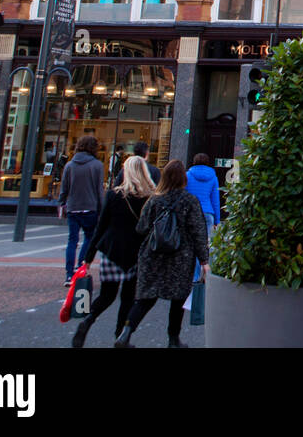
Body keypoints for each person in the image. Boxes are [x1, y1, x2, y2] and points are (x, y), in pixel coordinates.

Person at [115, 161, 210, 348]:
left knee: (145, 299)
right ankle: (173, 340)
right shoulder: (189, 201)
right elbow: (198, 232)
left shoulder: (154, 200)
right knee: (178, 300)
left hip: (153, 254)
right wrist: (204, 260)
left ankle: (125, 333)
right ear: (183, 178)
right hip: (180, 256)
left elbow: (141, 227)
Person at [72, 156, 156, 347]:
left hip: (111, 251)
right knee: (128, 298)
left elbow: (101, 227)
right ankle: (120, 336)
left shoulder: (113, 195)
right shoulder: (149, 197)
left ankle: (88, 320)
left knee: (106, 295)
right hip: (135, 254)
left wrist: (88, 257)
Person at [59, 135, 105, 283]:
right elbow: (99, 190)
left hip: (73, 207)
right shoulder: (97, 165)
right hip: (90, 207)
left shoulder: (70, 165)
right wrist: (102, 208)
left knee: (72, 240)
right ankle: (81, 266)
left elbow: (64, 189)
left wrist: (61, 203)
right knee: (89, 239)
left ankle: (68, 273)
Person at [186, 153, 221, 234]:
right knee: (207, 243)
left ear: (194, 162)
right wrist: (217, 220)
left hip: (191, 212)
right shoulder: (213, 177)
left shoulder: (187, 175)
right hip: (207, 213)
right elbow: (215, 200)